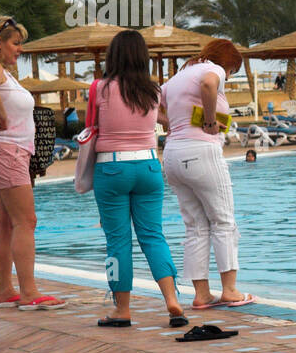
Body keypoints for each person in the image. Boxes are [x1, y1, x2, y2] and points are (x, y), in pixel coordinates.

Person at [91, 30, 187, 328]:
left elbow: (90, 127)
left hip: (113, 168)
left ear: (113, 56)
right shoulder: (153, 91)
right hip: (148, 167)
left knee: (117, 240)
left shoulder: (100, 88)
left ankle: (122, 309)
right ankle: (172, 300)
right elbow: (165, 121)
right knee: (153, 235)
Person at [0, 15, 65, 310]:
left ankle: (5, 290)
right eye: (15, 43)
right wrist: (1, 116)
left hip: (3, 151)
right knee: (26, 221)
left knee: (5, 223)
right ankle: (29, 292)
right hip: (7, 152)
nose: (19, 49)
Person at [161, 38, 254, 310]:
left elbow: (149, 102)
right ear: (228, 62)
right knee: (223, 221)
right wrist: (211, 120)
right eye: (232, 71)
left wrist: (171, 123)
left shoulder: (179, 77)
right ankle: (230, 290)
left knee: (195, 226)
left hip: (173, 156)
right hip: (202, 152)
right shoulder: (211, 70)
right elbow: (209, 85)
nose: (230, 76)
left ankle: (201, 294)